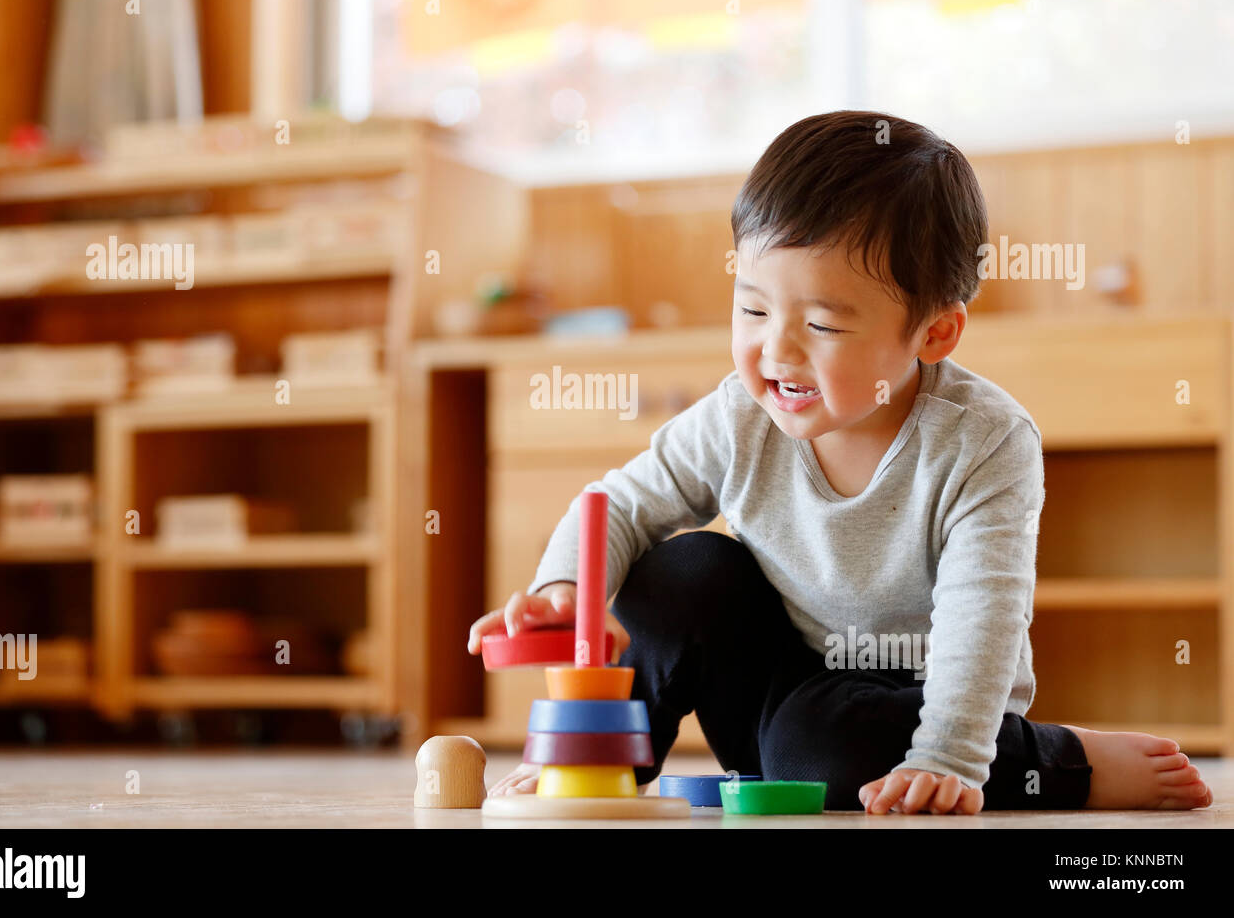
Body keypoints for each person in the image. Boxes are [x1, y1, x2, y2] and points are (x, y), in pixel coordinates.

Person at [468, 110, 1213, 814]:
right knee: (676, 572)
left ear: (934, 334)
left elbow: (981, 618)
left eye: (821, 323)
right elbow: (618, 505)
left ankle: (1059, 758)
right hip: (781, 688)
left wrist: (947, 759)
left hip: (917, 703)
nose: (776, 351)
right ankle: (600, 761)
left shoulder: (982, 440)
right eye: (753, 310)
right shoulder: (738, 415)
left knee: (826, 753)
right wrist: (564, 587)